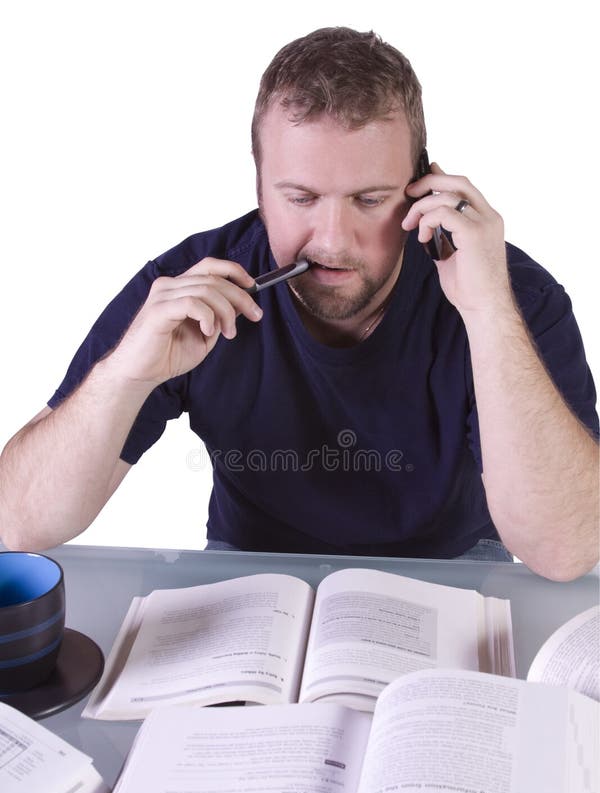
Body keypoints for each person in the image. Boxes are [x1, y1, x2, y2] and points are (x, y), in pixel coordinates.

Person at [0, 27, 598, 581]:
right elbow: (19, 523)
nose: (332, 241)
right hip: (253, 578)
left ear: (424, 188)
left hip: (457, 568)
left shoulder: (511, 295)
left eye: (369, 199)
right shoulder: (187, 286)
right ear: (259, 186)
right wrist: (126, 375)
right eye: (301, 198)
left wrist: (490, 314)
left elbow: (566, 550)